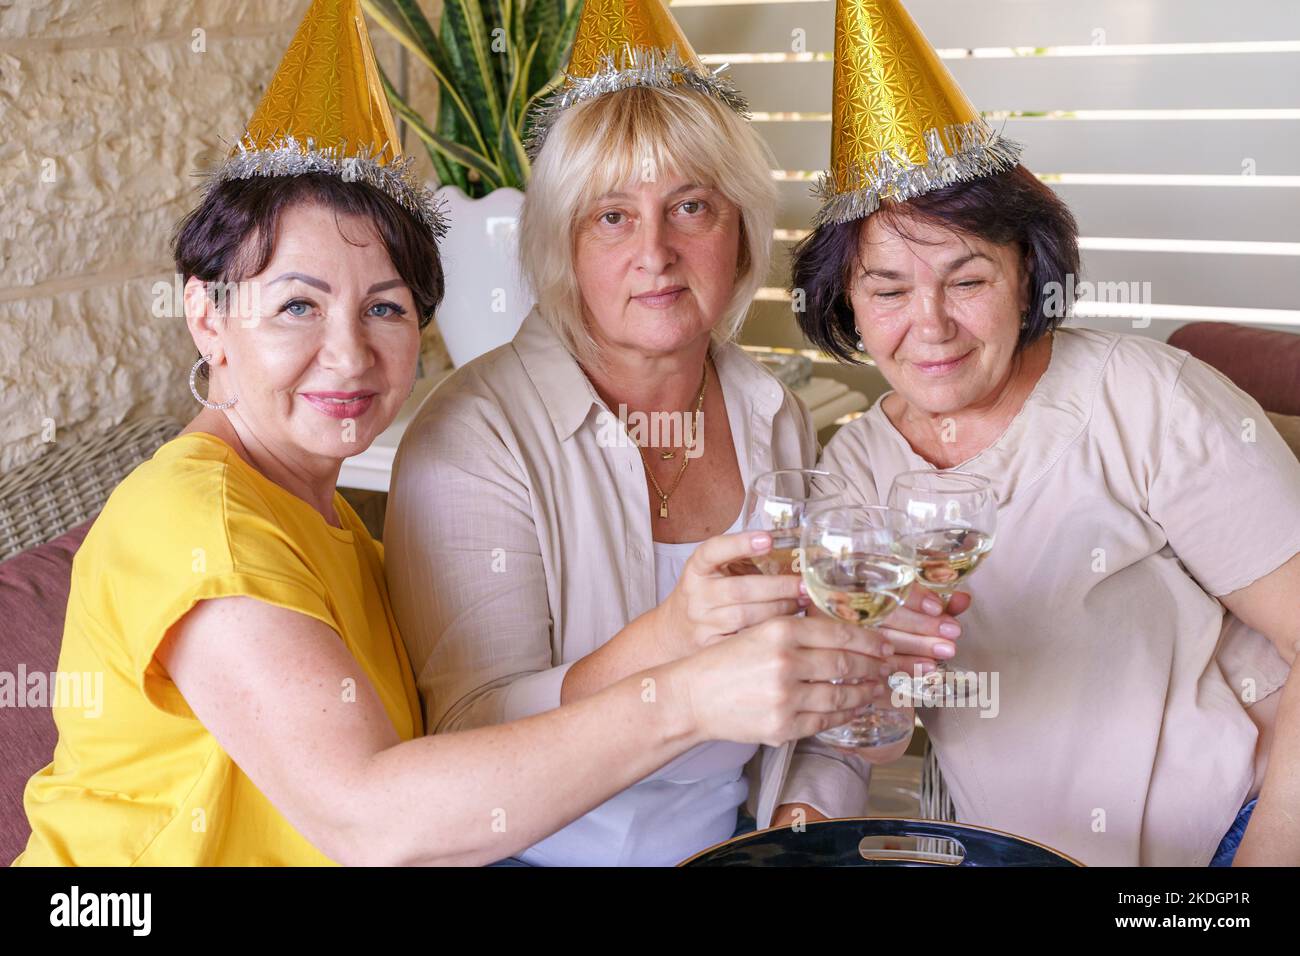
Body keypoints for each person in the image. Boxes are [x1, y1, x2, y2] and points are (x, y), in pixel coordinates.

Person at [13, 0, 888, 867]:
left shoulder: (327, 524)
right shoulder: (199, 520)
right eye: (296, 306)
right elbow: (373, 819)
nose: (347, 355)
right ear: (205, 316)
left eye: (384, 308)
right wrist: (687, 693)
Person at [385, 0, 964, 867]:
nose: (654, 251)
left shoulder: (774, 416)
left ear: (738, 239)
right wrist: (671, 641)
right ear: (561, 246)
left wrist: (811, 798)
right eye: (611, 215)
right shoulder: (472, 437)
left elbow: (817, 719)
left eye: (691, 207)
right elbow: (467, 734)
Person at [791, 0, 1300, 866]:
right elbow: (860, 727)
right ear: (846, 303)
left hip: (1232, 830)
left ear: (1028, 275)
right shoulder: (853, 474)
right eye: (886, 291)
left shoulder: (1144, 397)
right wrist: (797, 826)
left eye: (967, 279)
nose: (932, 326)